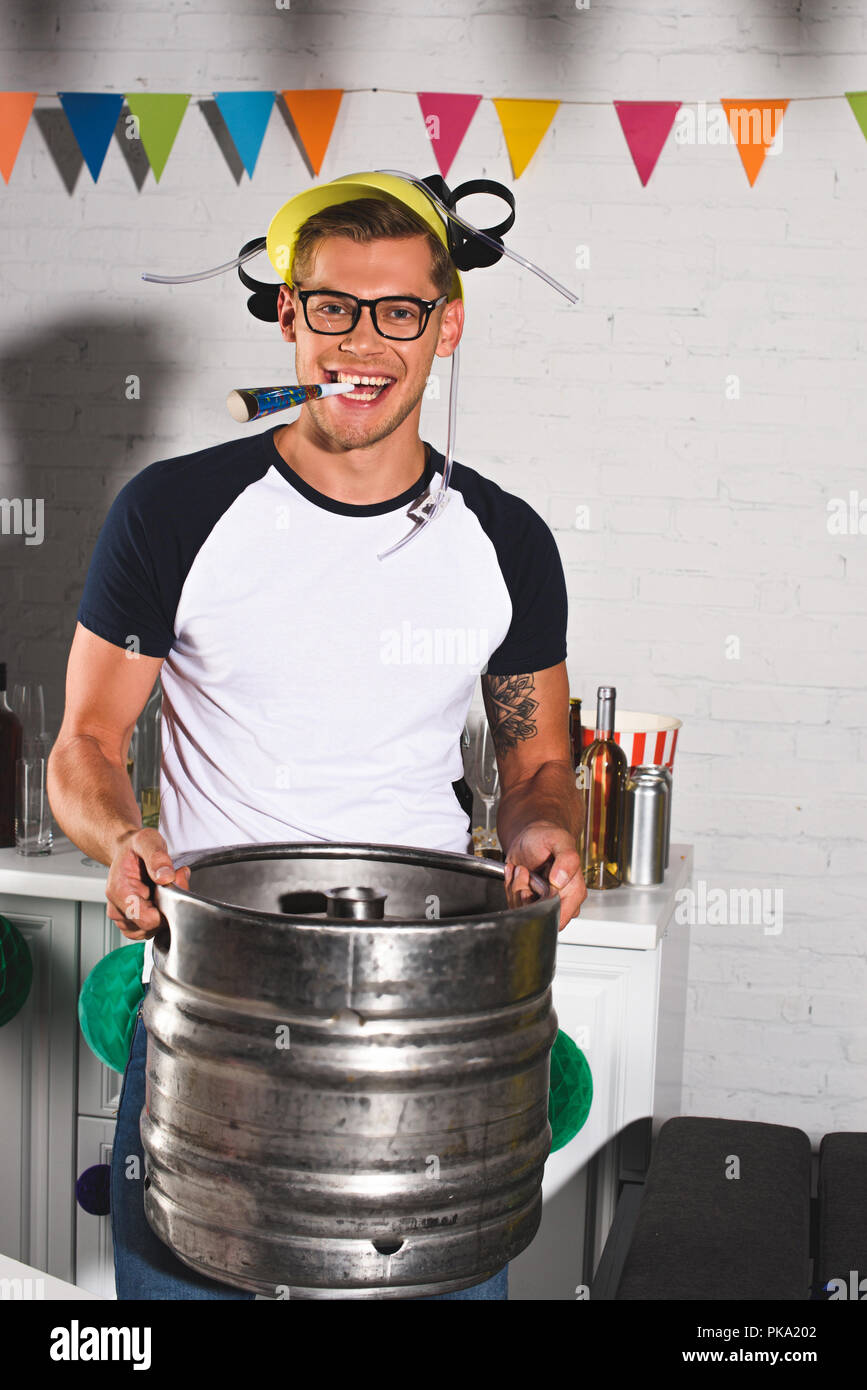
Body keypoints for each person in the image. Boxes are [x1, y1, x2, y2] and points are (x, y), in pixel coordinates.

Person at [47, 171, 587, 1301]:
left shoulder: (507, 540)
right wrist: (123, 839)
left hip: (434, 1025)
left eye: (399, 311)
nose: (364, 341)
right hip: (215, 1011)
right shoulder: (174, 512)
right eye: (334, 307)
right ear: (291, 316)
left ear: (448, 324)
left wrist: (546, 827)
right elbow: (86, 745)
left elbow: (538, 763)